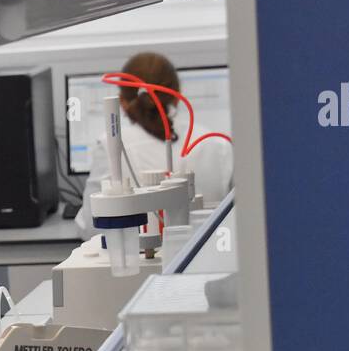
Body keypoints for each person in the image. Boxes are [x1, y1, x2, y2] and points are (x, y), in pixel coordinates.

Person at [74, 51, 233, 236]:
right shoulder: (217, 145)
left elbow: (90, 228)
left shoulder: (112, 146)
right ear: (176, 95)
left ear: (123, 102)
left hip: (135, 261)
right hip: (209, 261)